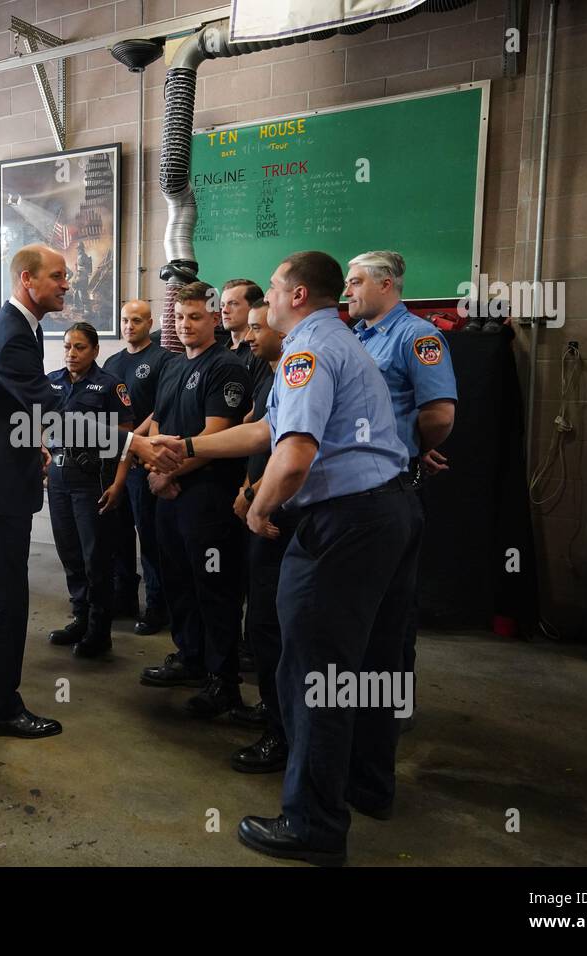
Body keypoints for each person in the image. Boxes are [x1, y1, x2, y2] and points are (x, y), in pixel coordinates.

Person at [153, 251, 419, 866]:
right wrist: (186, 444)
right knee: (374, 662)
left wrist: (258, 508)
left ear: (297, 296)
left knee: (315, 674)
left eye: (271, 288)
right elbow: (267, 431)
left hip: (345, 526)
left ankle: (313, 823)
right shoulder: (338, 341)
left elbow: (294, 454)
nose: (263, 302)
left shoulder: (304, 352)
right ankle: (368, 785)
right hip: (390, 514)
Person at [0, 243, 175, 739]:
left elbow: (21, 413)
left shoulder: (11, 328)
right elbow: (57, 415)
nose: (67, 285)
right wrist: (131, 440)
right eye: (58, 276)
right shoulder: (13, 337)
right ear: (28, 279)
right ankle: (2, 709)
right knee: (6, 600)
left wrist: (34, 444)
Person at [345, 250, 457, 693]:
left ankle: (393, 701)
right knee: (361, 603)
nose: (346, 290)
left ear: (385, 283)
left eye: (355, 282)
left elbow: (440, 415)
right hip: (357, 487)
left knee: (393, 605)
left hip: (391, 487)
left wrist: (410, 449)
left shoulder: (417, 336)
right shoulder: (357, 337)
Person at [138, 281, 250, 720]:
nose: (186, 325)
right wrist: (155, 473)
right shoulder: (170, 366)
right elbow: (158, 424)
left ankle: (224, 684)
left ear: (214, 319)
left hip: (207, 499)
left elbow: (215, 436)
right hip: (169, 496)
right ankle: (190, 659)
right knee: (178, 582)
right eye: (180, 317)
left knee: (214, 591)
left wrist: (164, 472)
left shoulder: (226, 368)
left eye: (196, 317)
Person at [228, 300, 295, 772]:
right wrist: (244, 487)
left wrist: (255, 496)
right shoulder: (267, 375)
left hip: (277, 514)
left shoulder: (295, 372)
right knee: (262, 624)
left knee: (273, 628)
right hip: (257, 502)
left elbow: (288, 452)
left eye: (256, 328)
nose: (248, 337)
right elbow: (255, 436)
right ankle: (275, 713)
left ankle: (282, 733)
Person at [44, 321, 133, 659]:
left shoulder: (110, 386)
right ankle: (80, 618)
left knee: (95, 556)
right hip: (59, 479)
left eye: (79, 347)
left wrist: (119, 482)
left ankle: (99, 630)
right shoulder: (52, 382)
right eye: (67, 346)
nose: (72, 353)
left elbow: (126, 440)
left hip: (92, 480)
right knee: (69, 553)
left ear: (95, 351)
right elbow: (39, 424)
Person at [103, 298, 174, 635]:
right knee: (117, 535)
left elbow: (160, 408)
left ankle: (158, 606)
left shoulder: (163, 360)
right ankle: (124, 597)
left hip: (144, 459)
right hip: (117, 461)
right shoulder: (112, 363)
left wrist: (134, 441)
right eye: (124, 320)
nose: (129, 326)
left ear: (149, 323)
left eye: (136, 321)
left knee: (150, 536)